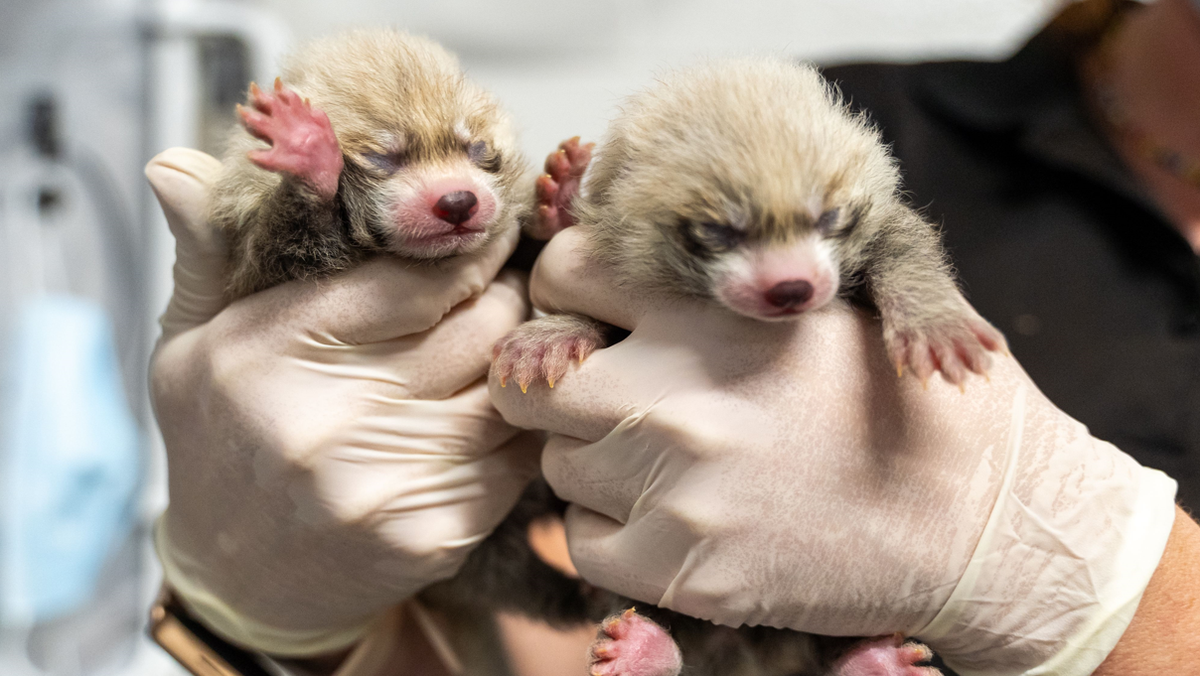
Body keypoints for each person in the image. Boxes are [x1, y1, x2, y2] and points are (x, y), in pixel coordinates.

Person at [146, 1, 1200, 673]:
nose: (791, 273)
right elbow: (563, 588)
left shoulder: (863, 193)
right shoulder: (842, 119)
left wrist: (1128, 596)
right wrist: (260, 630)